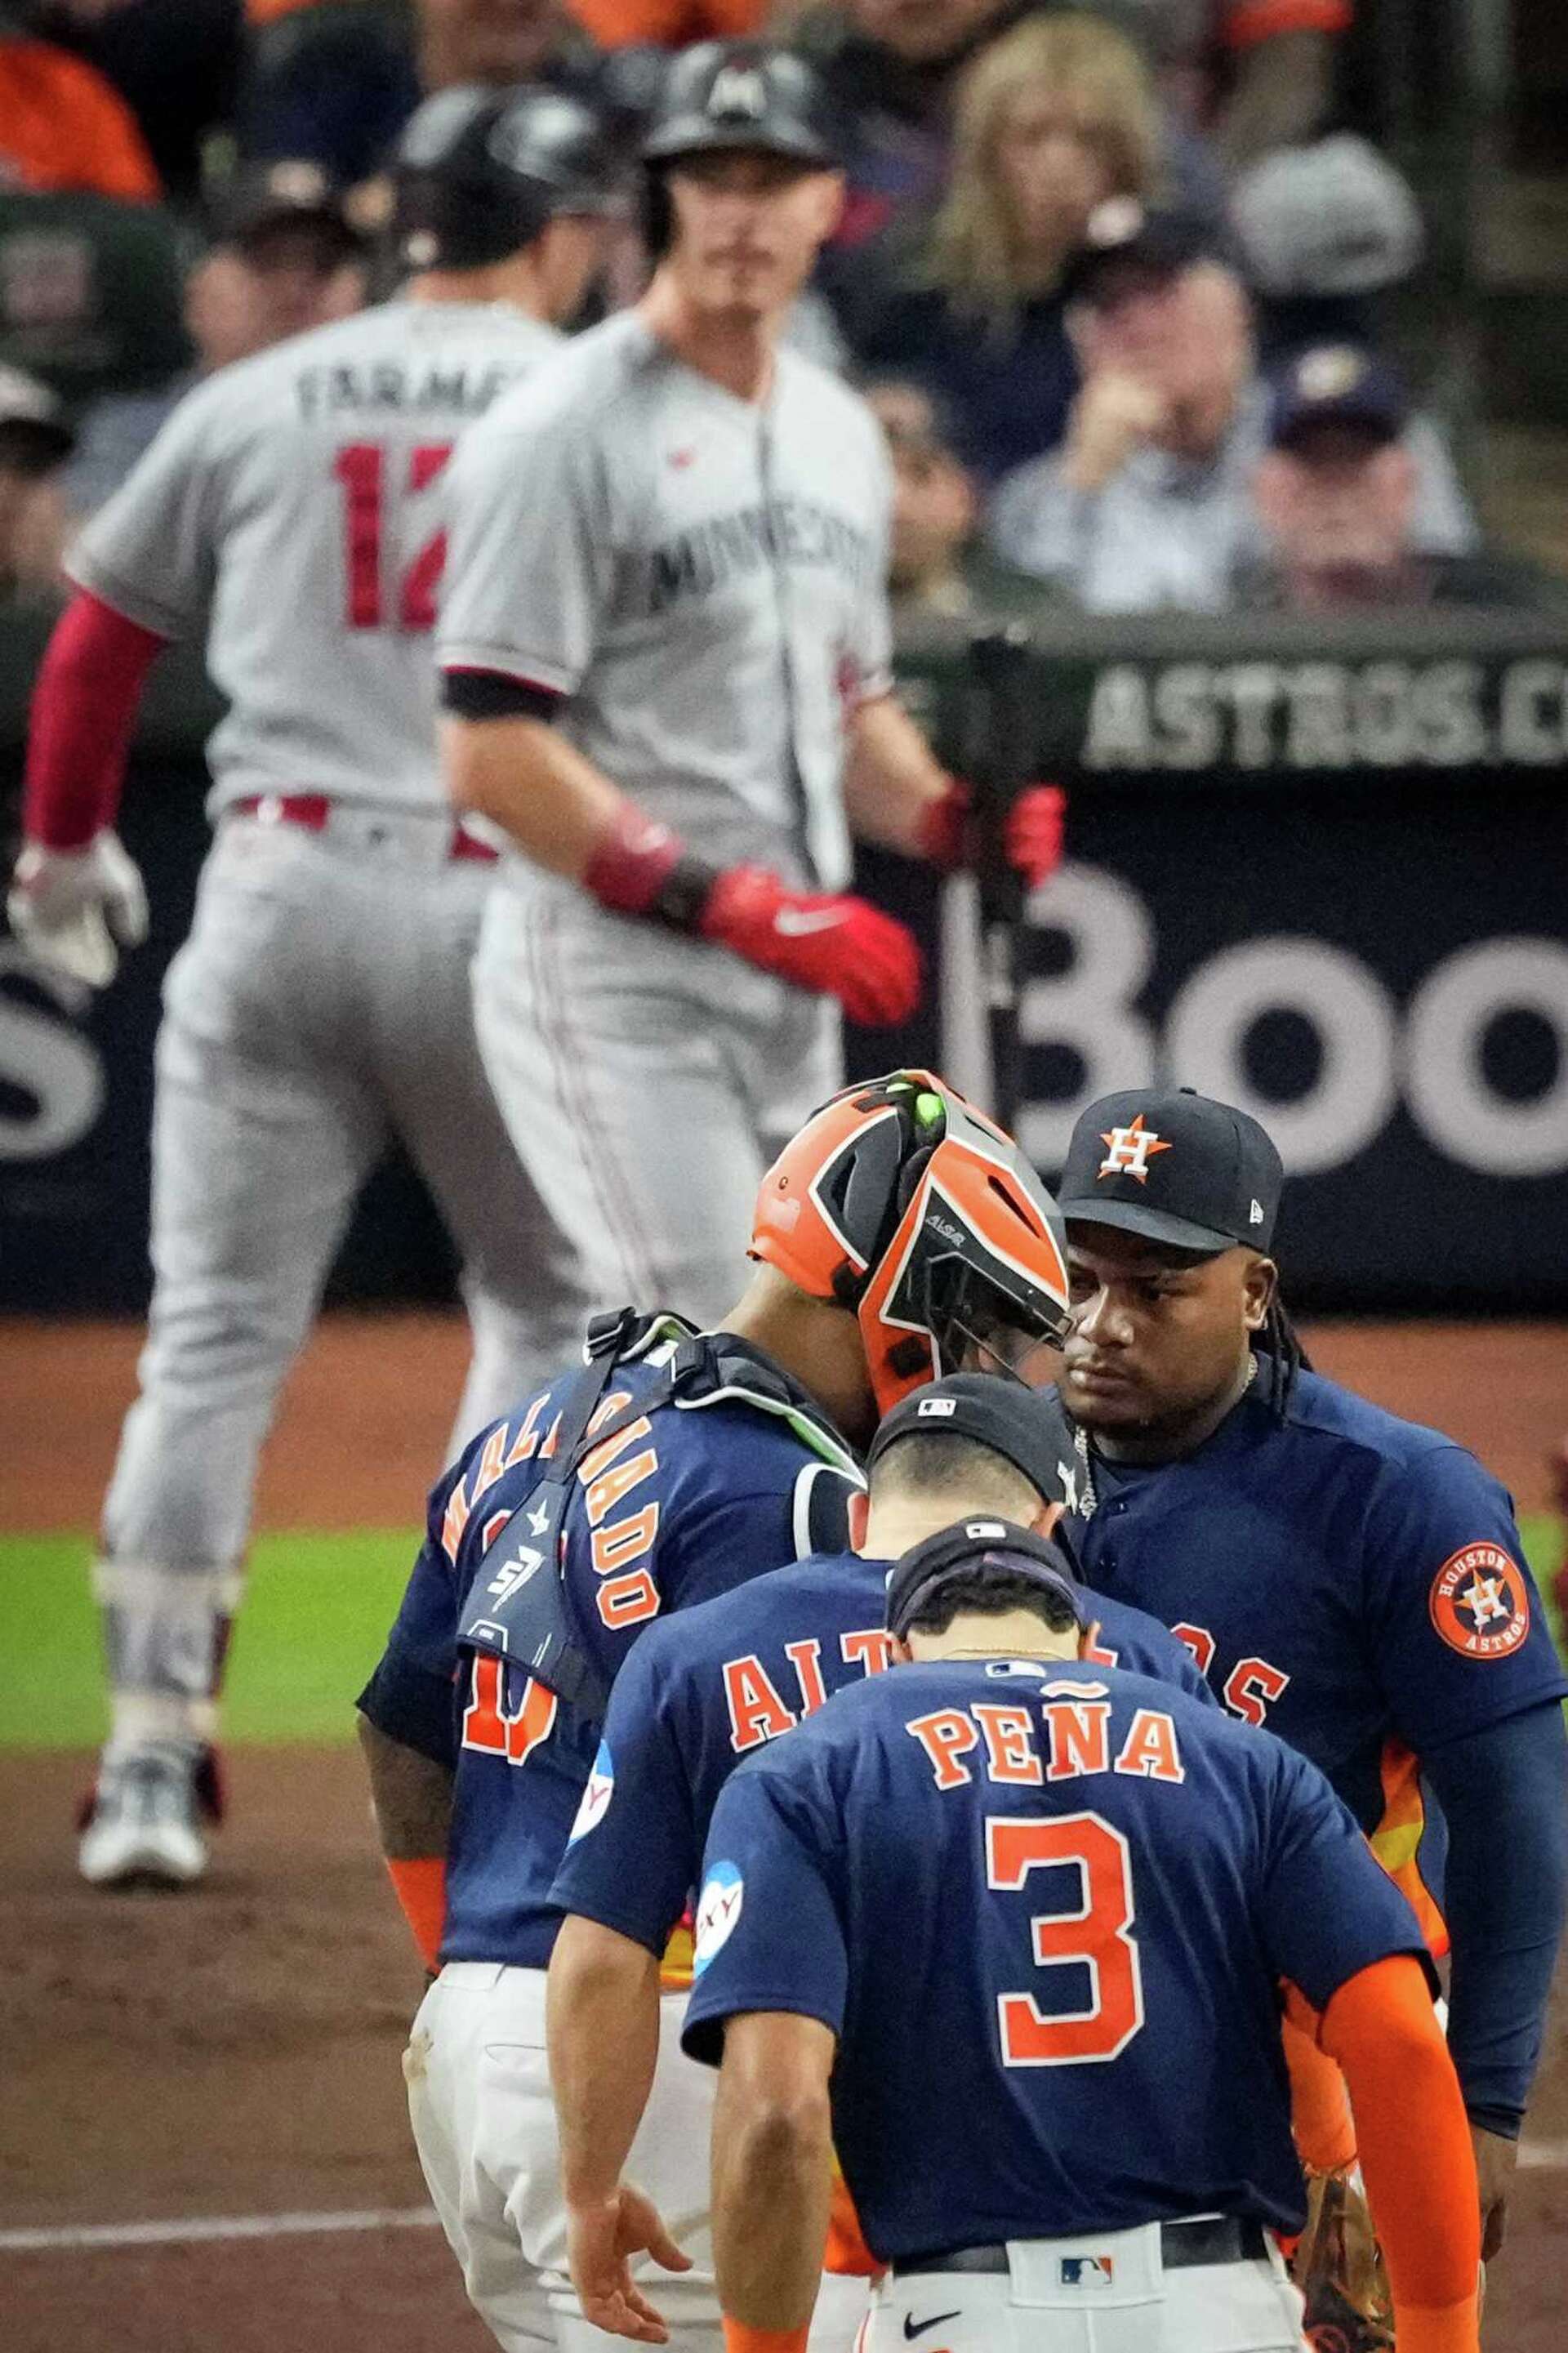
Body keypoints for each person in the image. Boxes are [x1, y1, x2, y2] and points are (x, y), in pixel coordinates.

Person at [4, 85, 627, 1889]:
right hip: (499, 898)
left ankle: (146, 1755)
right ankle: (480, 1713)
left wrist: (59, 851)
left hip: (278, 887)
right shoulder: (588, 399)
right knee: (547, 1312)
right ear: (553, 232)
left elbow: (96, 642)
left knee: (209, 1343)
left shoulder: (263, 390)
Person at [356, 1069, 1076, 2353]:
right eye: (980, 1322)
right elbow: (845, 1834)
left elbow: (400, 1734)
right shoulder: (798, 1503)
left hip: (471, 2059)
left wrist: (466, 1972)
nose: (989, 1366)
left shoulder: (539, 1425)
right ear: (903, 1288)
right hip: (645, 2052)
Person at [435, 39, 1065, 1333]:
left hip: (785, 983)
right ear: (660, 198)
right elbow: (490, 753)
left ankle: (496, 1484)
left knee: (781, 1339)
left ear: (830, 201)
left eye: (772, 179)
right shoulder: (557, 430)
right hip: (613, 970)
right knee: (722, 1339)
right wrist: (730, 903)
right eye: (709, 178)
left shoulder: (839, 430)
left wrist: (942, 816)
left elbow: (846, 704)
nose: (740, 213)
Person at [681, 1520, 1483, 2353]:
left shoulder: (803, 1772)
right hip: (1220, 2311)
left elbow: (777, 2115)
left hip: (956, 2316)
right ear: (1094, 1647)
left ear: (894, 1653)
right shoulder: (1251, 1762)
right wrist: (1443, 2336)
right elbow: (1401, 2039)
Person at [546, 1370, 1215, 2346]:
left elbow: (604, 1954)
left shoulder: (693, 1655)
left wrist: (589, 2189)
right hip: (1137, 2241)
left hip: (846, 2247)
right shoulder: (1146, 1660)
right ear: (1044, 1523)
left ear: (858, 1512)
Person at [1040, 1084, 1568, 2274]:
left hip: (1334, 2034)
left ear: (1254, 1292)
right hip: (1068, 2022)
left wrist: (1483, 2102)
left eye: (1155, 1290)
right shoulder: (1000, 1477)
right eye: (1080, 1280)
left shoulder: (1398, 1497)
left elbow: (1514, 1811)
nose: (1100, 1325)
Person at [987, 198, 1475, 612]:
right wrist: (1082, 483)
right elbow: (1025, 644)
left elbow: (1456, 610)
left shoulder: (1356, 432)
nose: (1137, 324)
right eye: (1108, 304)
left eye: (1160, 292)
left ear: (1236, 307)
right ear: (1080, 342)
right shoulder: (1035, 503)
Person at [834, 11, 1175, 485]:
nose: (1059, 165)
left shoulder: (1158, 283)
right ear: (988, 152)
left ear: (1125, 155)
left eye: (1089, 139)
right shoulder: (914, 284)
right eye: (1033, 136)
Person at [50, 159, 369, 540]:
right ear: (197, 286)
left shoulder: (397, 425)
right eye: (268, 261)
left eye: (322, 264)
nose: (296, 288)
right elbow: (91, 557)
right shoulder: (134, 434)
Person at [1247, 344, 1568, 613]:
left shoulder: (1509, 615)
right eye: (1316, 470)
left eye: (1358, 466)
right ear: (1269, 495)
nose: (1339, 496)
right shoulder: (1233, 625)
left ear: (1404, 483)